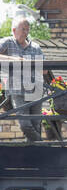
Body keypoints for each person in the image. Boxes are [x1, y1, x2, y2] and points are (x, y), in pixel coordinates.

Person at [0, 14, 45, 142]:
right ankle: (42, 146)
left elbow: (45, 70)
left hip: (35, 89)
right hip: (17, 90)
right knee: (25, 124)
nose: (26, 32)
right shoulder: (7, 43)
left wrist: (30, 65)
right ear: (14, 30)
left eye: (27, 29)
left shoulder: (35, 47)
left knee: (36, 125)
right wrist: (15, 60)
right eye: (23, 29)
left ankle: (32, 154)